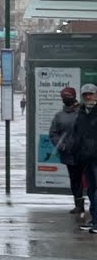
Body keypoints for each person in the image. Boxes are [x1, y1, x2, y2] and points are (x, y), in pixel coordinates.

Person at [48, 86, 83, 214]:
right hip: (69, 154)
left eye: (69, 96)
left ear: (74, 97)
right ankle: (79, 204)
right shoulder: (59, 116)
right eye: (64, 97)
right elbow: (53, 133)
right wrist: (61, 146)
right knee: (75, 179)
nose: (66, 98)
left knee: (91, 179)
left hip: (85, 152)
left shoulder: (83, 112)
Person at [70, 83, 97, 234]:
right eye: (85, 94)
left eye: (91, 94)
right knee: (91, 190)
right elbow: (77, 134)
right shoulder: (81, 112)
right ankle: (94, 219)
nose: (88, 97)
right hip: (85, 157)